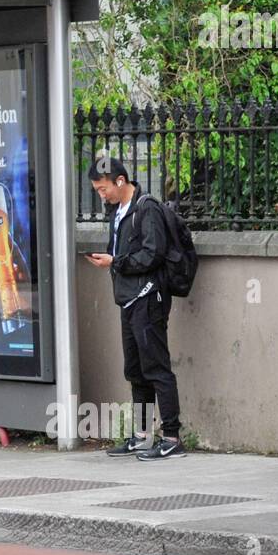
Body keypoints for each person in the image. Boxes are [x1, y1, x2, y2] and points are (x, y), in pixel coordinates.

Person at [85, 157, 184, 461]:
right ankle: (142, 435)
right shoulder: (117, 212)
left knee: (156, 366)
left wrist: (116, 262)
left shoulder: (146, 208)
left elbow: (152, 253)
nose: (101, 195)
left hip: (148, 296)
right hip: (127, 298)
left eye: (103, 189)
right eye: (96, 191)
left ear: (120, 181)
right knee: (135, 370)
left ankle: (171, 436)